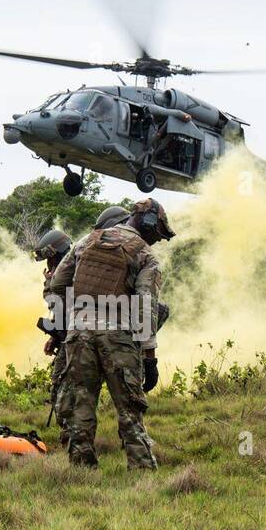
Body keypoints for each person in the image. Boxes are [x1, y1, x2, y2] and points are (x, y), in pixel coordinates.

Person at [46, 200, 175, 470]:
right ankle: (141, 469)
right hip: (118, 337)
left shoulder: (85, 241)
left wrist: (71, 320)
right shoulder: (146, 255)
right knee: (129, 406)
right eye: (158, 234)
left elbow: (58, 283)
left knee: (81, 400)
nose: (157, 240)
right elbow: (145, 307)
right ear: (149, 223)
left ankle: (81, 468)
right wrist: (150, 358)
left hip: (79, 333)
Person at [32, 229, 73, 446]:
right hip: (67, 336)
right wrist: (55, 338)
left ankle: (72, 435)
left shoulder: (70, 271)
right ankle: (69, 433)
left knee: (65, 387)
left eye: (49, 258)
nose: (48, 264)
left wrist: (49, 283)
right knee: (59, 385)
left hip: (77, 339)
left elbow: (56, 301)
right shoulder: (65, 270)